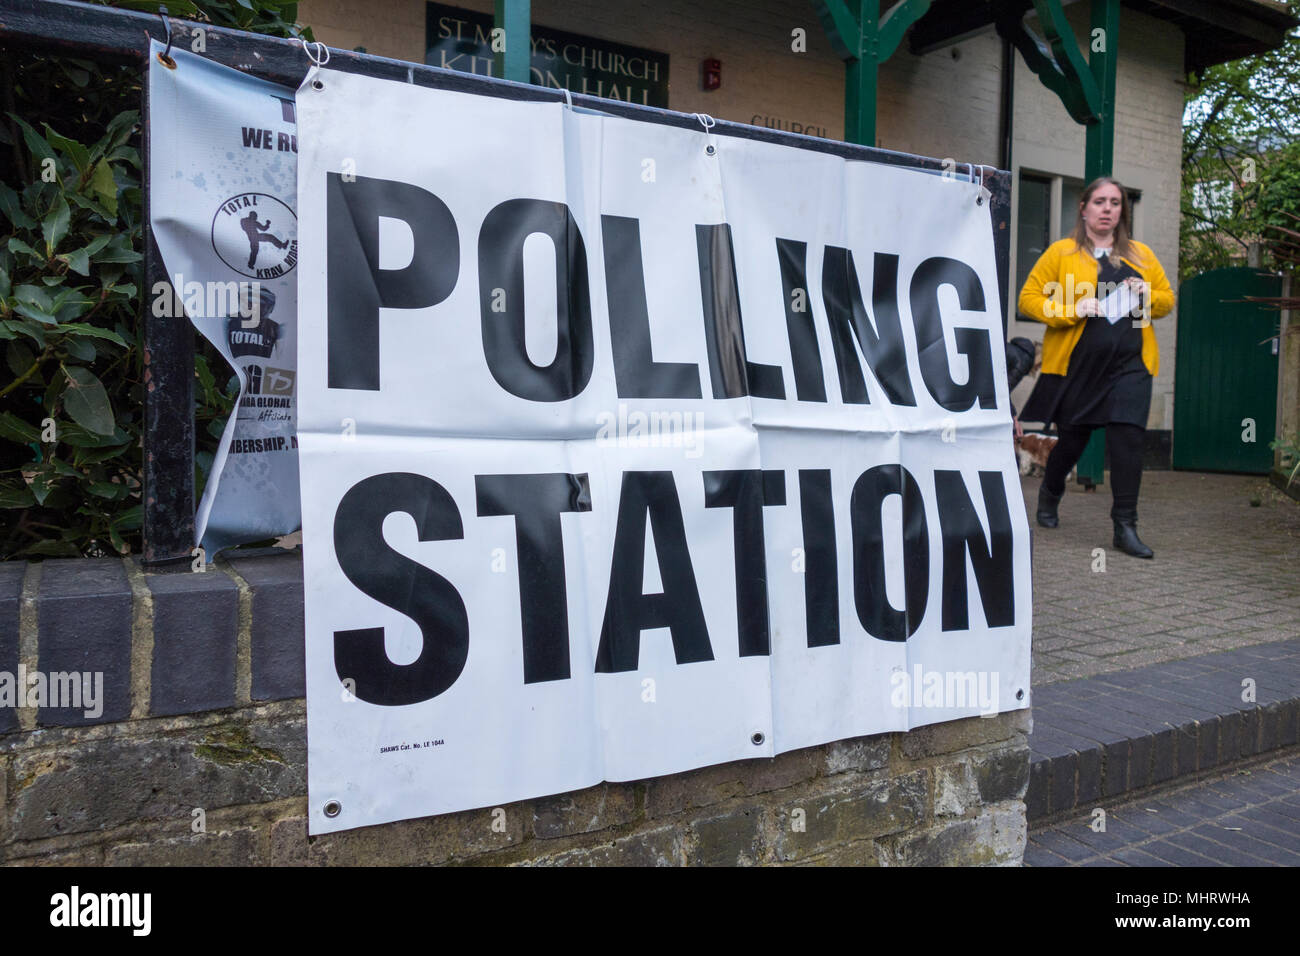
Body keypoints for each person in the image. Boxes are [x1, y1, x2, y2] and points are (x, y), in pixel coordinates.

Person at [1016, 177, 1175, 558]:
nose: (1107, 209)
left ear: (1122, 211)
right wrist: (1070, 309)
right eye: (1100, 201)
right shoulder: (1062, 253)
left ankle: (1125, 526)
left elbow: (1167, 301)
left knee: (1128, 438)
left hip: (1131, 364)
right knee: (1073, 439)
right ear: (1084, 208)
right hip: (1080, 366)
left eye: (1115, 203)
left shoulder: (1141, 255)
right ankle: (1051, 491)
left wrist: (1147, 296)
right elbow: (1028, 299)